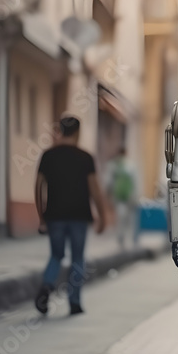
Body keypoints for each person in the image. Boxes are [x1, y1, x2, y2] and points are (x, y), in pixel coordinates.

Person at [33, 115, 109, 316]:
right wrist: (102, 216)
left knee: (56, 255)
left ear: (60, 131)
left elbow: (38, 186)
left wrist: (41, 216)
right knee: (77, 259)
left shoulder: (48, 156)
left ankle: (47, 286)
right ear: (77, 132)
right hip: (79, 216)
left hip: (54, 216)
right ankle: (74, 302)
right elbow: (95, 190)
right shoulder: (85, 158)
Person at [109, 145, 137, 248]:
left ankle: (125, 238)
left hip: (124, 196)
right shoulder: (118, 166)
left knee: (124, 218)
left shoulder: (119, 165)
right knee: (124, 218)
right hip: (122, 196)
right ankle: (123, 238)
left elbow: (109, 182)